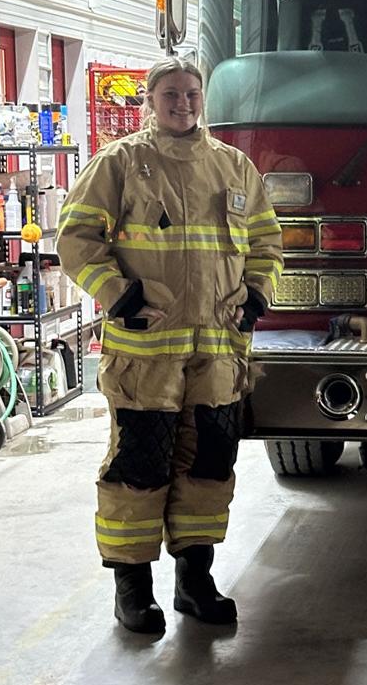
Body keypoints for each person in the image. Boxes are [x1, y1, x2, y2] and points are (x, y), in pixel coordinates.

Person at [57, 57, 283, 634]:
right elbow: (76, 238)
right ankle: (132, 591)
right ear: (149, 102)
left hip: (218, 354)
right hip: (146, 354)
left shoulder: (234, 167)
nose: (182, 103)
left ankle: (195, 582)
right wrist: (120, 296)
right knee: (140, 464)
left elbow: (266, 242)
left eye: (191, 93)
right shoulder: (121, 163)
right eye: (170, 95)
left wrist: (256, 297)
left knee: (210, 462)